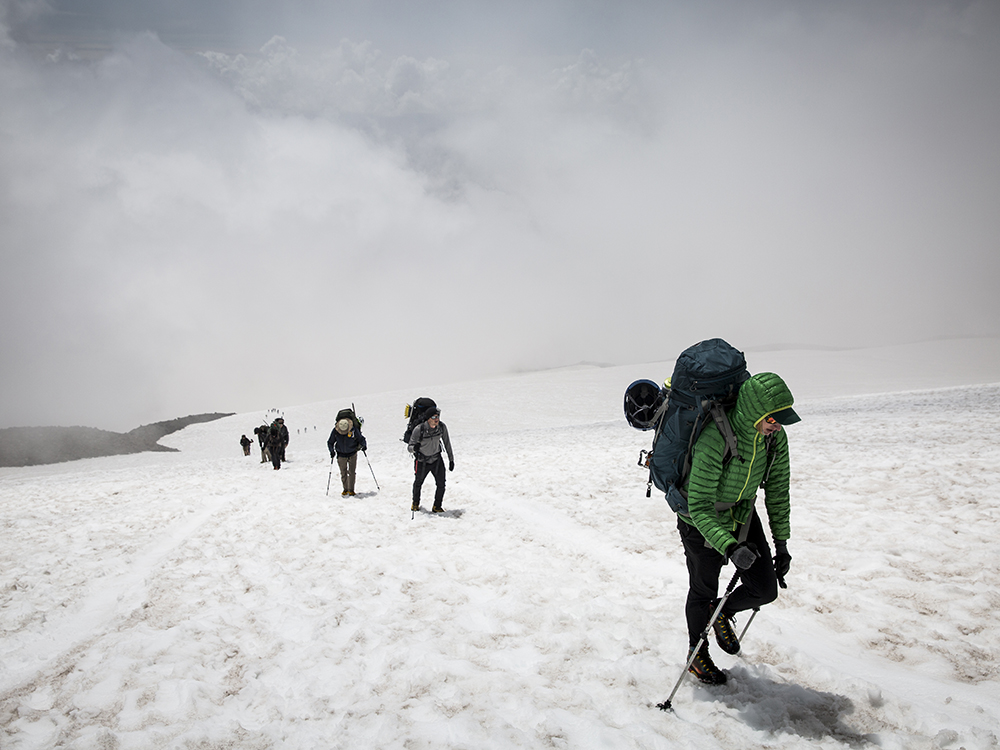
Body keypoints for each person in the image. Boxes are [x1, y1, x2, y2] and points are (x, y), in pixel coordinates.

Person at [678, 372, 798, 685]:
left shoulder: (773, 440)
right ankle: (697, 653)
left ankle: (721, 613)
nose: (777, 425)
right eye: (773, 418)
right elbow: (699, 506)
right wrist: (730, 547)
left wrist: (781, 543)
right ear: (755, 411)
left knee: (764, 589)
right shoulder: (715, 438)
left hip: (742, 513)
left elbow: (777, 490)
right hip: (699, 521)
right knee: (703, 590)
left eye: (781, 419)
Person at [407, 407, 454, 513]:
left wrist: (451, 460)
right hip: (422, 461)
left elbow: (447, 443)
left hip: (437, 459)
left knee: (441, 484)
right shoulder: (419, 429)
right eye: (433, 417)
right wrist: (415, 448)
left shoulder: (441, 427)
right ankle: (415, 503)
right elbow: (409, 447)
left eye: (437, 416)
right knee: (418, 483)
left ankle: (437, 506)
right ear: (428, 418)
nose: (436, 419)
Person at [327, 415, 368, 496]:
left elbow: (361, 438)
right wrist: (331, 451)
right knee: (343, 473)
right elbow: (330, 442)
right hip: (341, 455)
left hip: (352, 453)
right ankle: (345, 489)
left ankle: (351, 490)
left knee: (352, 472)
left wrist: (364, 445)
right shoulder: (335, 431)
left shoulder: (353, 430)